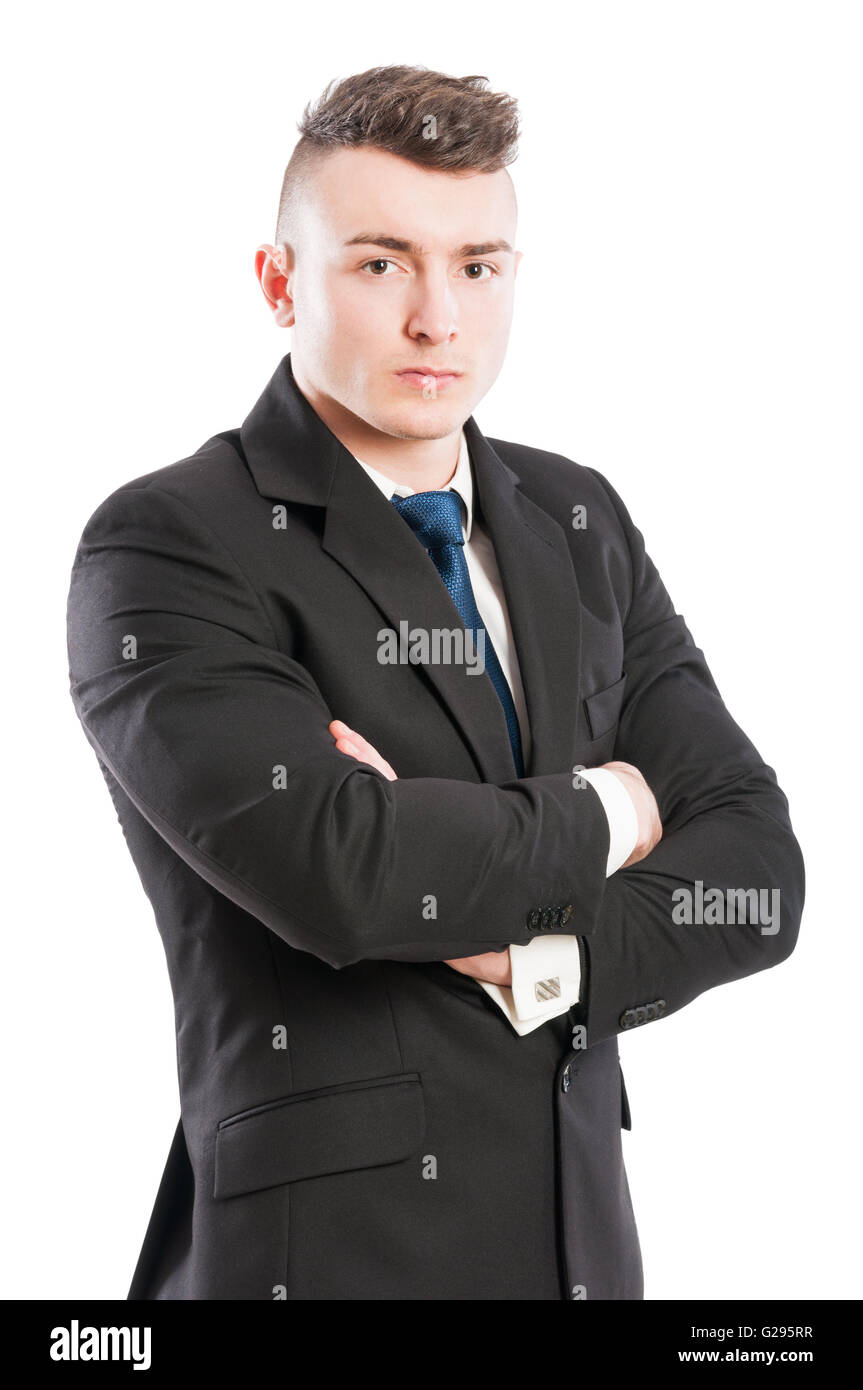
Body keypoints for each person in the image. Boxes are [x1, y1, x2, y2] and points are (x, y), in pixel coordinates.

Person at [65, 64, 805, 1301]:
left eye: (477, 265)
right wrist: (619, 807)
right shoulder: (171, 542)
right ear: (278, 280)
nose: (437, 320)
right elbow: (349, 869)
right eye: (378, 262)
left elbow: (758, 872)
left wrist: (542, 964)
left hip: (579, 1256)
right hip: (328, 1265)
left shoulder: (576, 518)